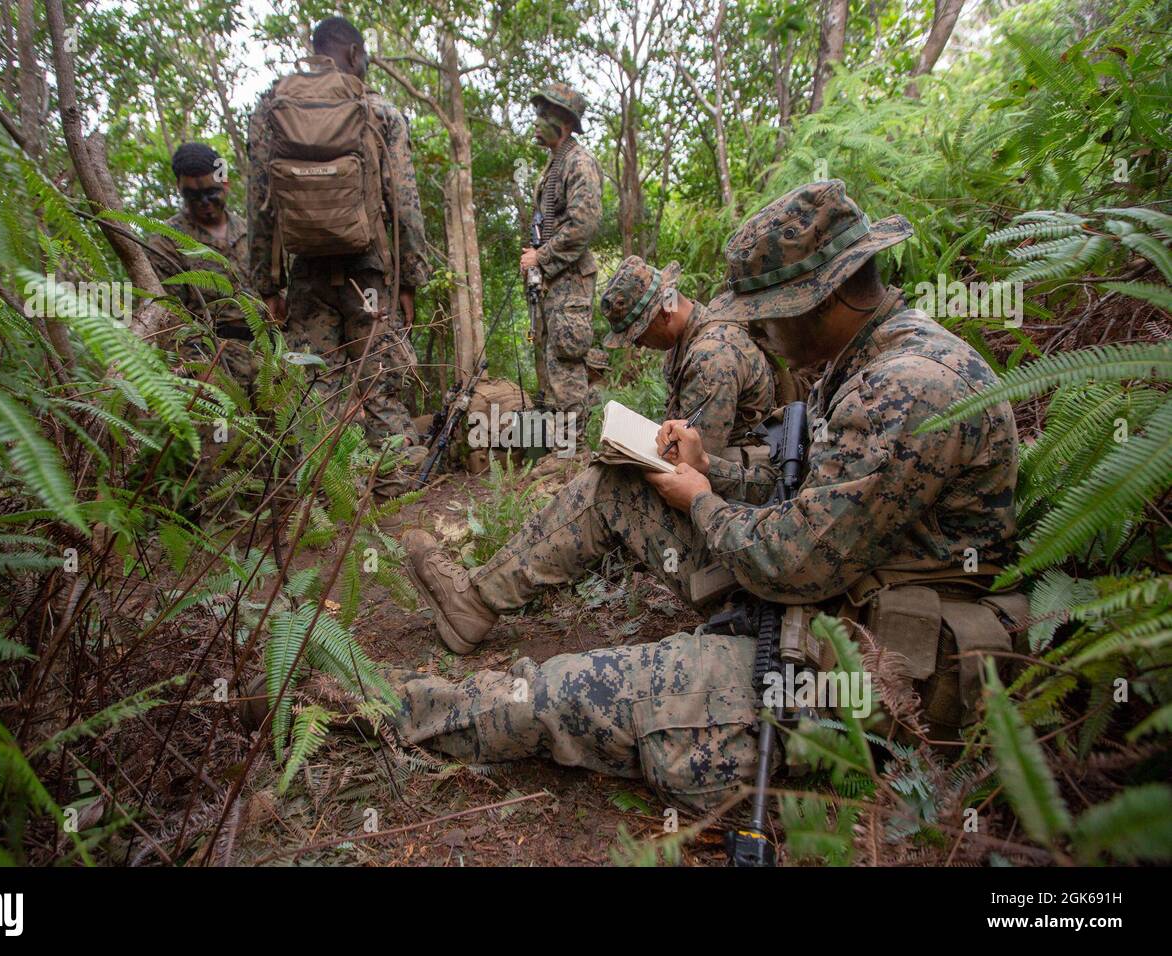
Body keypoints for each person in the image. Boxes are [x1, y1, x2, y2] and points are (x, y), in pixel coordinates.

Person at [387, 180, 1021, 811]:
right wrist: (710, 470)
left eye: (767, 317)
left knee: (579, 694)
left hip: (870, 668)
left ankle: (395, 711)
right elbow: (806, 492)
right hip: (824, 602)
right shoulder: (866, 363)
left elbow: (791, 561)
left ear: (813, 300)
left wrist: (701, 500)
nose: (761, 335)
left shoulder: (908, 387)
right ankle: (473, 604)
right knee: (619, 485)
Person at [247, 15, 431, 489]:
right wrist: (410, 279)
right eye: (365, 55)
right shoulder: (381, 113)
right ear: (352, 54)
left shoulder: (272, 108)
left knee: (313, 389)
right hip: (369, 276)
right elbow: (405, 204)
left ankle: (326, 507)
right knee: (379, 386)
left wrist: (267, 285)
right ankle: (395, 501)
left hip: (306, 274)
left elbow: (259, 203)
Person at [600, 255, 774, 458]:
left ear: (666, 312)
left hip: (737, 473)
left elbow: (694, 458)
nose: (638, 345)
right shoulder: (686, 340)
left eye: (639, 334)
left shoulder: (710, 357)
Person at [522, 83, 603, 441]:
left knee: (566, 361)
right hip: (553, 280)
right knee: (551, 362)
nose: (537, 122)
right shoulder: (554, 164)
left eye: (545, 114)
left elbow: (583, 225)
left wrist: (541, 255)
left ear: (565, 121)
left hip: (569, 279)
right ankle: (560, 449)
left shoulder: (578, 162)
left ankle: (572, 454)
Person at [147, 142, 256, 392]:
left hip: (265, 356)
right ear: (180, 189)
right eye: (193, 196)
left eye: (211, 192)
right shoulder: (166, 241)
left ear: (225, 183)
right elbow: (168, 318)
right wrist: (196, 368)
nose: (204, 202)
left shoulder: (251, 231)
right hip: (210, 360)